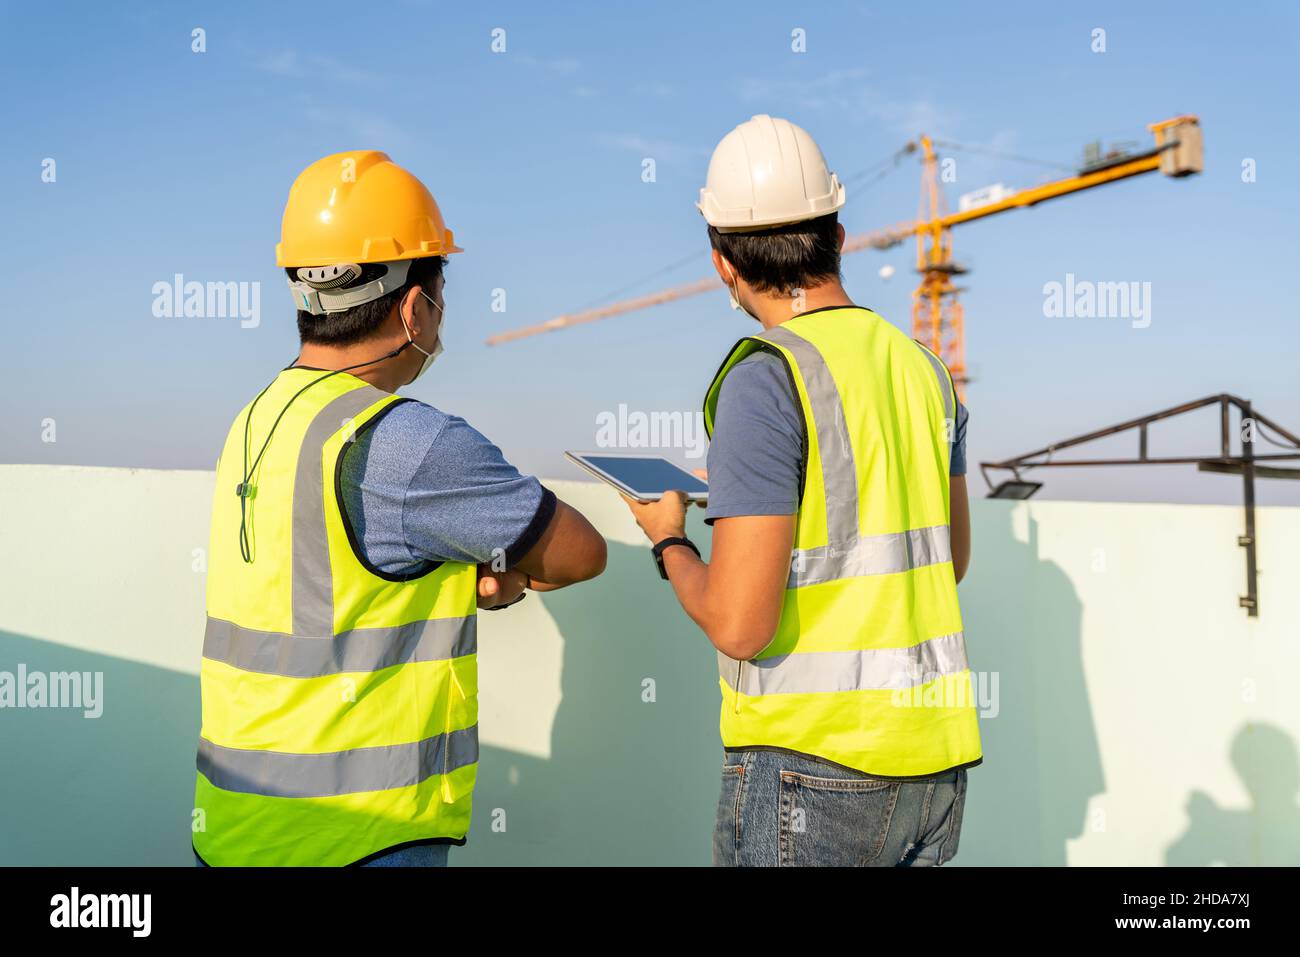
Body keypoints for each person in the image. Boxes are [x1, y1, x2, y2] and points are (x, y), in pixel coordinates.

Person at [192, 151, 606, 867]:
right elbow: (579, 551)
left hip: (235, 826)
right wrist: (502, 571)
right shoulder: (411, 442)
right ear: (415, 306)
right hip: (359, 841)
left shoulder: (256, 418)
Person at [623, 116, 982, 867]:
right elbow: (948, 559)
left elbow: (740, 624)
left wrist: (669, 538)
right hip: (933, 764)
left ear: (722, 262)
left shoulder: (765, 376)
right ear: (840, 235)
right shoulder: (924, 369)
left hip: (816, 767)